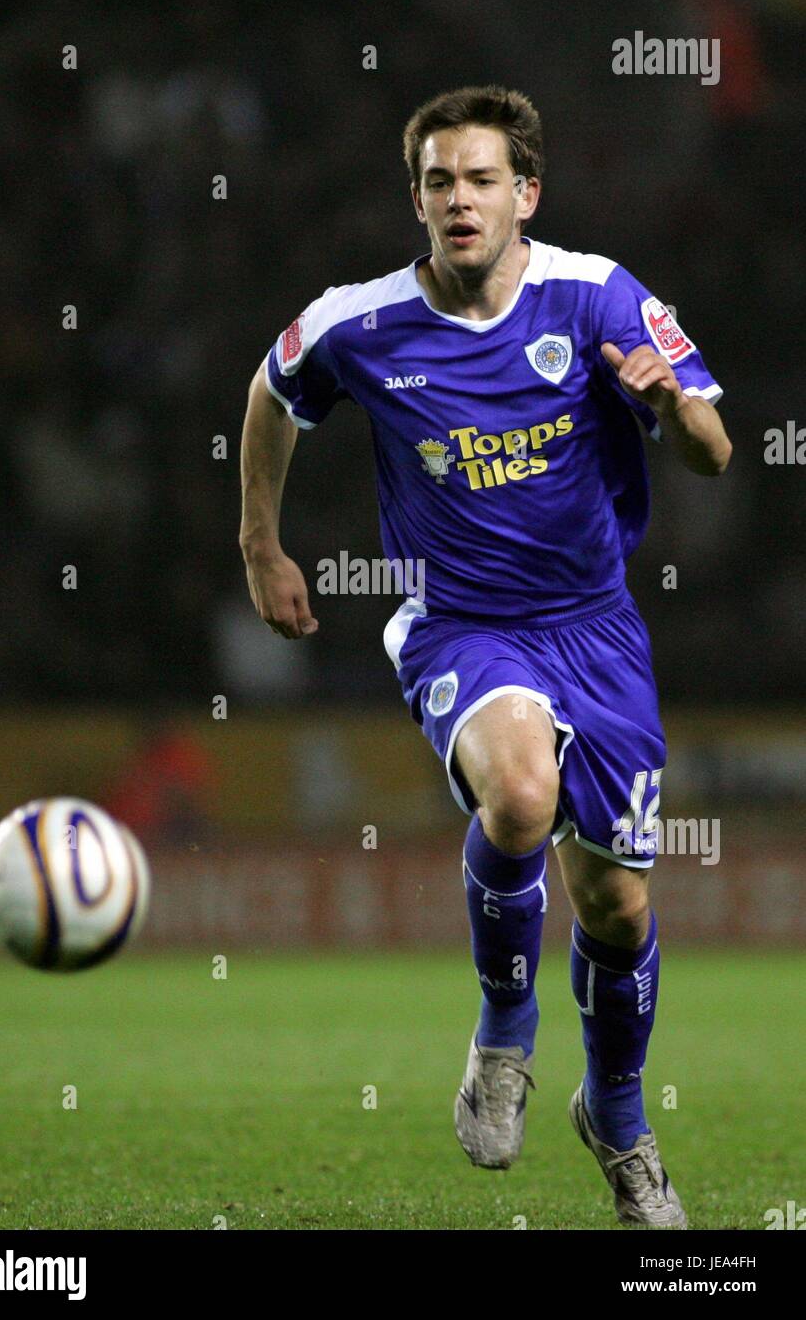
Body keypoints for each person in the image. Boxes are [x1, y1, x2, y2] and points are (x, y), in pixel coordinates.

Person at [239, 85, 731, 1229]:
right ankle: (502, 1038)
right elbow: (271, 394)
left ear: (526, 195)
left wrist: (668, 407)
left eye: (481, 179)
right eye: (438, 181)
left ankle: (615, 1111)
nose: (459, 199)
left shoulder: (598, 293)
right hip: (458, 622)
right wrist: (261, 544)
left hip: (596, 630)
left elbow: (713, 448)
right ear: (415, 198)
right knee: (519, 796)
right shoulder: (356, 324)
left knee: (613, 904)